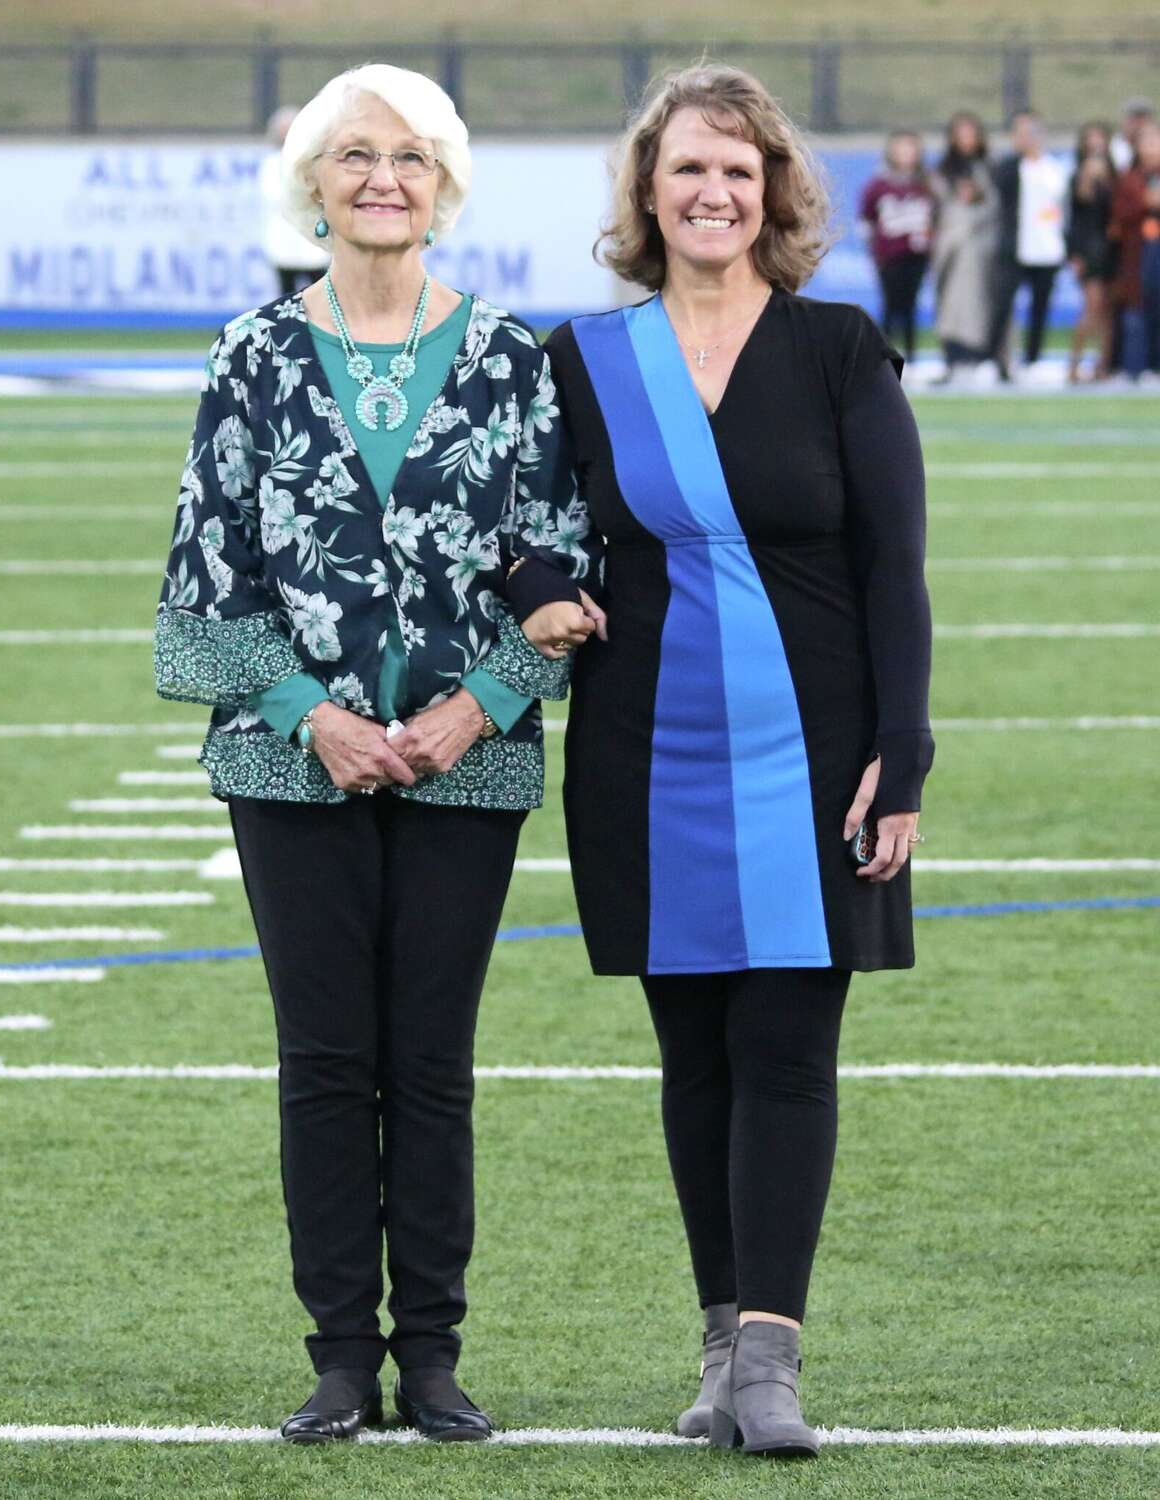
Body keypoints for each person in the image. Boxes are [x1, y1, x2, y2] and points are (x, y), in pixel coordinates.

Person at [154, 63, 603, 1445]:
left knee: (432, 1066)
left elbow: (565, 561)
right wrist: (317, 717)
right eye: (355, 155)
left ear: (445, 184)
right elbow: (206, 575)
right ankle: (343, 1356)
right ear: (313, 181)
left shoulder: (513, 357)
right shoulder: (251, 354)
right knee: (324, 1061)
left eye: (411, 156)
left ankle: (436, 1356)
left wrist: (477, 708)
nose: (383, 178)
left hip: (470, 762)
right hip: (290, 763)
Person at [542, 64, 933, 1459]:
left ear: (773, 194)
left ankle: (771, 1361)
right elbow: (527, 528)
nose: (714, 193)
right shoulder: (586, 359)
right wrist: (539, 586)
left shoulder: (839, 347)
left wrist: (902, 755)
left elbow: (896, 567)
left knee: (786, 1047)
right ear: (649, 195)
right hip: (644, 754)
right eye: (688, 170)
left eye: (738, 171)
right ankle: (719, 1347)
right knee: (695, 1055)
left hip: (812, 755)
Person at [987, 109, 1068, 381]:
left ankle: (1033, 359)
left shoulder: (1055, 168)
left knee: (1040, 307)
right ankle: (994, 360)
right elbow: (998, 189)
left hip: (1048, 250)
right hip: (1015, 249)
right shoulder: (1008, 167)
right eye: (1020, 133)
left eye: (1031, 132)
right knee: (1002, 306)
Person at [928, 111, 999, 383]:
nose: (966, 139)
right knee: (949, 305)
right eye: (961, 134)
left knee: (977, 305)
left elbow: (993, 207)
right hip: (949, 248)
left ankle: (978, 356)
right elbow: (937, 209)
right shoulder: (943, 171)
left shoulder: (988, 168)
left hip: (980, 249)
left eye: (970, 133)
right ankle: (952, 356)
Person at [858, 130, 935, 363]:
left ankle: (911, 357)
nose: (905, 154)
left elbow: (935, 216)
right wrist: (874, 250)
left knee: (911, 305)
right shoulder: (879, 185)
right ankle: (886, 358)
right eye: (901, 148)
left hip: (917, 255)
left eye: (910, 148)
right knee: (891, 305)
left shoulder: (926, 183)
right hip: (889, 256)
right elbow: (866, 219)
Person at [1108, 119, 1160, 382]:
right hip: (1138, 253)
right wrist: (1145, 203)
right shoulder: (1129, 179)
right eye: (1146, 142)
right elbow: (1119, 216)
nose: (1151, 147)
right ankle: (1135, 367)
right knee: (1136, 310)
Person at [1066, 121, 1118, 382]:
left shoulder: (1114, 175)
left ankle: (1102, 366)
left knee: (1107, 311)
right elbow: (1076, 216)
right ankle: (1074, 365)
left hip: (1111, 249)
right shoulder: (1078, 176)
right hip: (1089, 250)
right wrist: (1074, 254)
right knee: (1092, 306)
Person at [260, 106, 329, 297]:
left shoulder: (315, 162)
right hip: (283, 244)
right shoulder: (271, 163)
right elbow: (273, 197)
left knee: (321, 295)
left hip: (313, 247)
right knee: (286, 298)